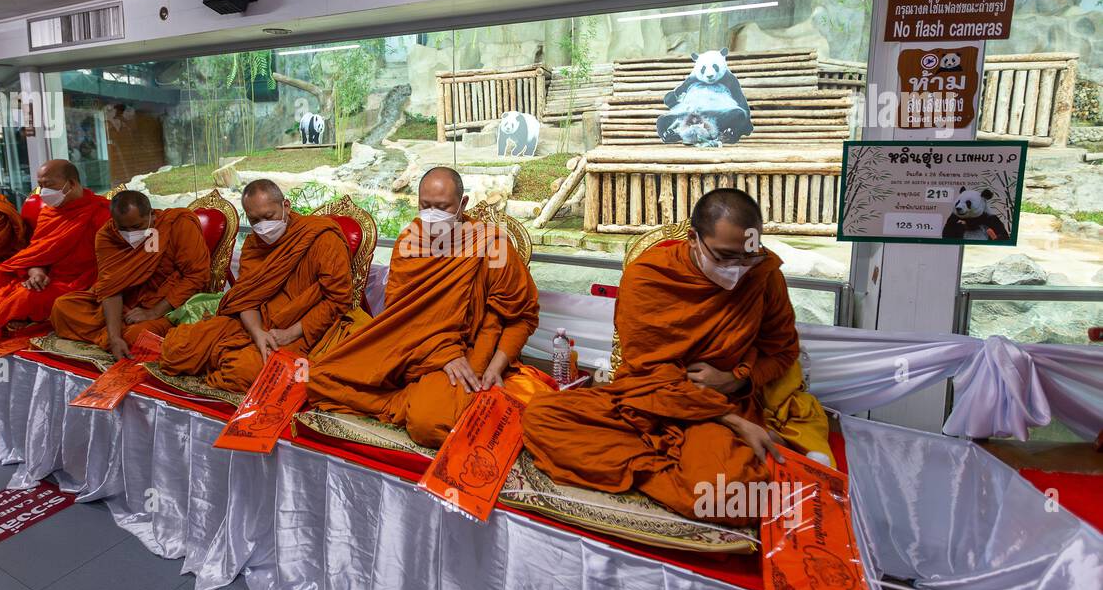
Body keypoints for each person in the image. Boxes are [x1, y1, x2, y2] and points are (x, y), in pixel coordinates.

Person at [521, 187, 830, 526]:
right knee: (541, 417)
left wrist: (738, 378)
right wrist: (736, 423)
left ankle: (660, 467)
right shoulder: (649, 277)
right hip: (651, 400)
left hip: (714, 406)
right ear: (693, 238)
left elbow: (781, 350)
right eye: (726, 257)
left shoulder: (763, 275)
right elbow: (647, 373)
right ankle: (662, 470)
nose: (739, 268)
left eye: (748, 255)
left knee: (726, 497)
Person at [304, 167, 540, 448]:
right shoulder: (409, 241)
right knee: (320, 378)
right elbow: (400, 312)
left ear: (462, 205)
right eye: (425, 206)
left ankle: (419, 399)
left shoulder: (491, 245)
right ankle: (411, 398)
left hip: (466, 354)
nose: (432, 215)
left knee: (428, 424)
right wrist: (440, 352)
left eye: (442, 207)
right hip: (413, 345)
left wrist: (495, 368)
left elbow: (521, 316)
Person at [157, 178, 354, 391]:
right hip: (255, 322)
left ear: (285, 206)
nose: (263, 227)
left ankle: (228, 355)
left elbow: (338, 299)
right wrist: (257, 332)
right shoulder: (253, 244)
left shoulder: (321, 237)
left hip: (301, 327)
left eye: (269, 217)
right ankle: (228, 352)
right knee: (175, 350)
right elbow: (245, 298)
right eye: (255, 221)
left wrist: (291, 333)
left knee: (241, 372)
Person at [0, 160, 110, 341]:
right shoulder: (48, 213)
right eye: (40, 185)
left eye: (49, 185)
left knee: (25, 298)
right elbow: (36, 253)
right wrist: (36, 273)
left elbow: (111, 262)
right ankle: (25, 316)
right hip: (46, 280)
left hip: (78, 284)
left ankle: (24, 316)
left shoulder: (101, 212)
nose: (43, 191)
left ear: (72, 184)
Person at [48, 189, 211, 359]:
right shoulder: (107, 236)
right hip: (126, 303)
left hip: (167, 305)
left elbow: (196, 275)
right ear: (114, 222)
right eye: (123, 228)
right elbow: (111, 288)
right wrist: (114, 337)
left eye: (137, 227)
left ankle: (122, 335)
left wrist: (153, 312)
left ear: (151, 215)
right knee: (62, 308)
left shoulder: (177, 224)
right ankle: (115, 337)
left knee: (136, 336)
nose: (131, 234)